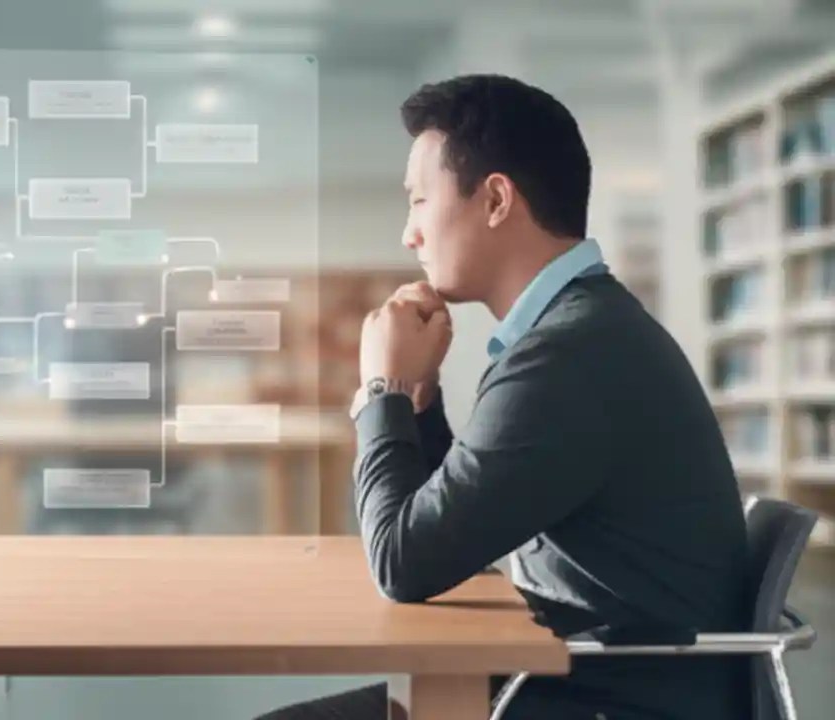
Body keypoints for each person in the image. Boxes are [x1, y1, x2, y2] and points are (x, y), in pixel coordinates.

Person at [257, 75, 749, 719]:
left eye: (418, 201)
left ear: (494, 200)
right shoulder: (582, 331)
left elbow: (403, 564)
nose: (409, 233)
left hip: (597, 696)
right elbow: (456, 530)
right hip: (575, 675)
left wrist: (381, 390)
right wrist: (421, 396)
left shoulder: (566, 357)